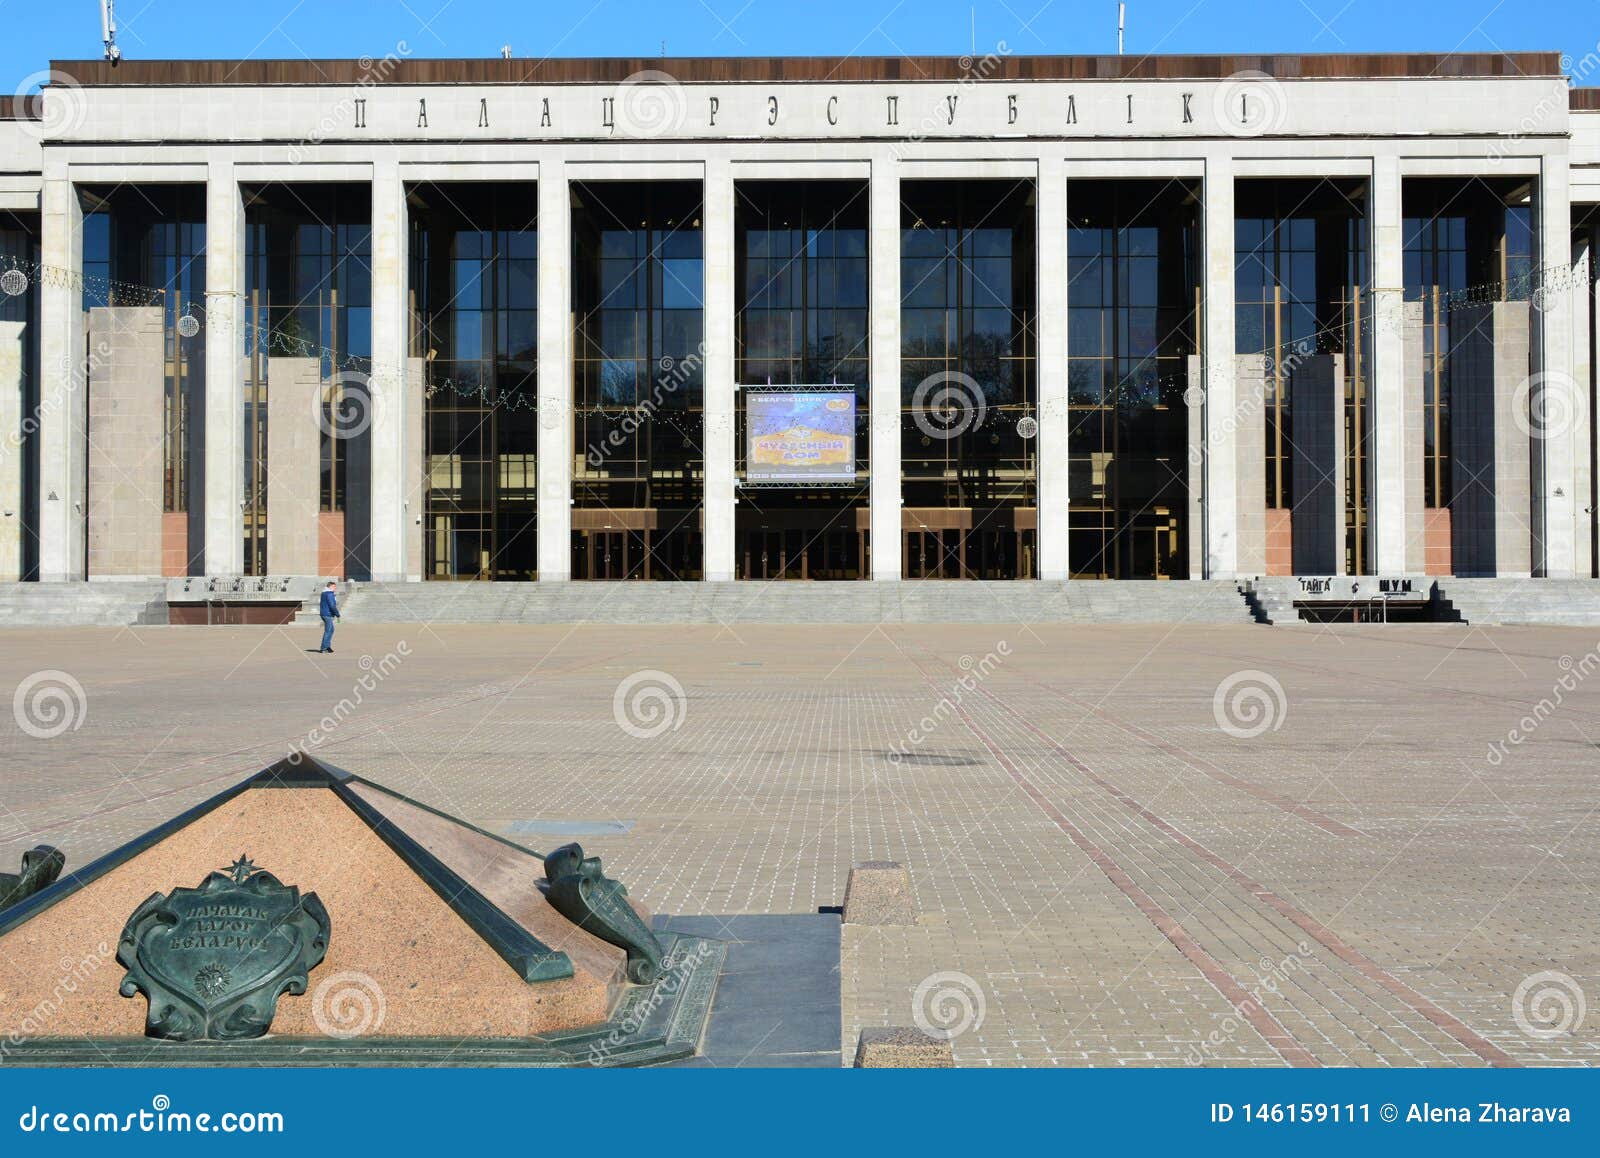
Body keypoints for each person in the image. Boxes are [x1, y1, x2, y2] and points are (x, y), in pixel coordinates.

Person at [318, 581, 340, 653]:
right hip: (327, 614)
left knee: (331, 630)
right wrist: (337, 614)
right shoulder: (330, 594)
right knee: (328, 631)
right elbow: (332, 605)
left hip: (324, 613)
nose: (335, 588)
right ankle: (323, 648)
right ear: (329, 587)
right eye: (334, 587)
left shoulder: (324, 593)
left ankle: (327, 646)